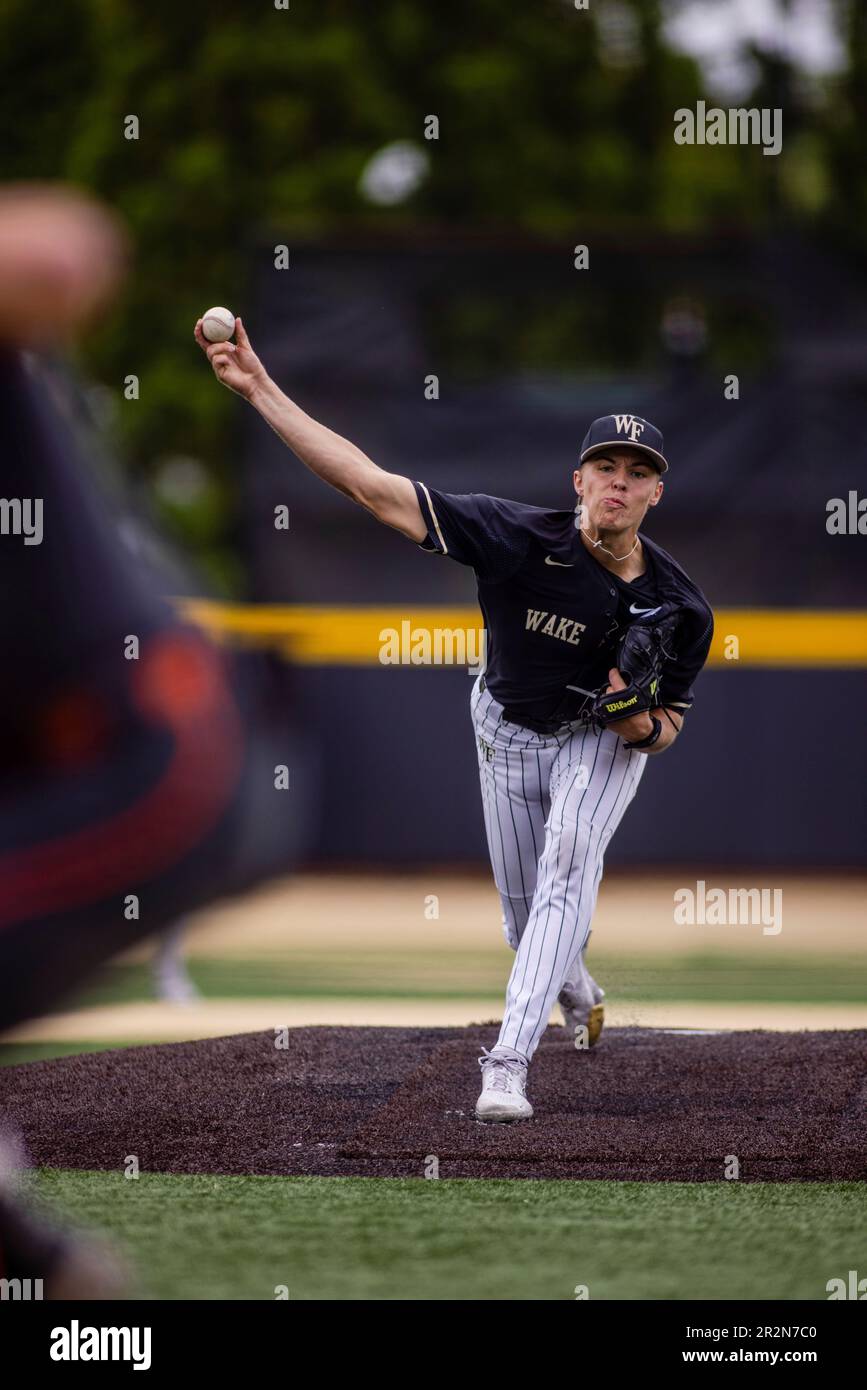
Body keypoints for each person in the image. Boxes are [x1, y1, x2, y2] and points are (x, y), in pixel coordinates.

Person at [196, 319, 714, 1123]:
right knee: (523, 919)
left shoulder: (681, 607)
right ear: (577, 479)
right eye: (604, 466)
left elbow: (667, 726)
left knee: (570, 861)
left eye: (636, 472)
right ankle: (576, 989)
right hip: (504, 729)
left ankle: (505, 1066)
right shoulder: (514, 537)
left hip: (595, 741)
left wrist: (631, 722)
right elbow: (370, 485)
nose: (619, 481)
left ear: (655, 492)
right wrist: (258, 387)